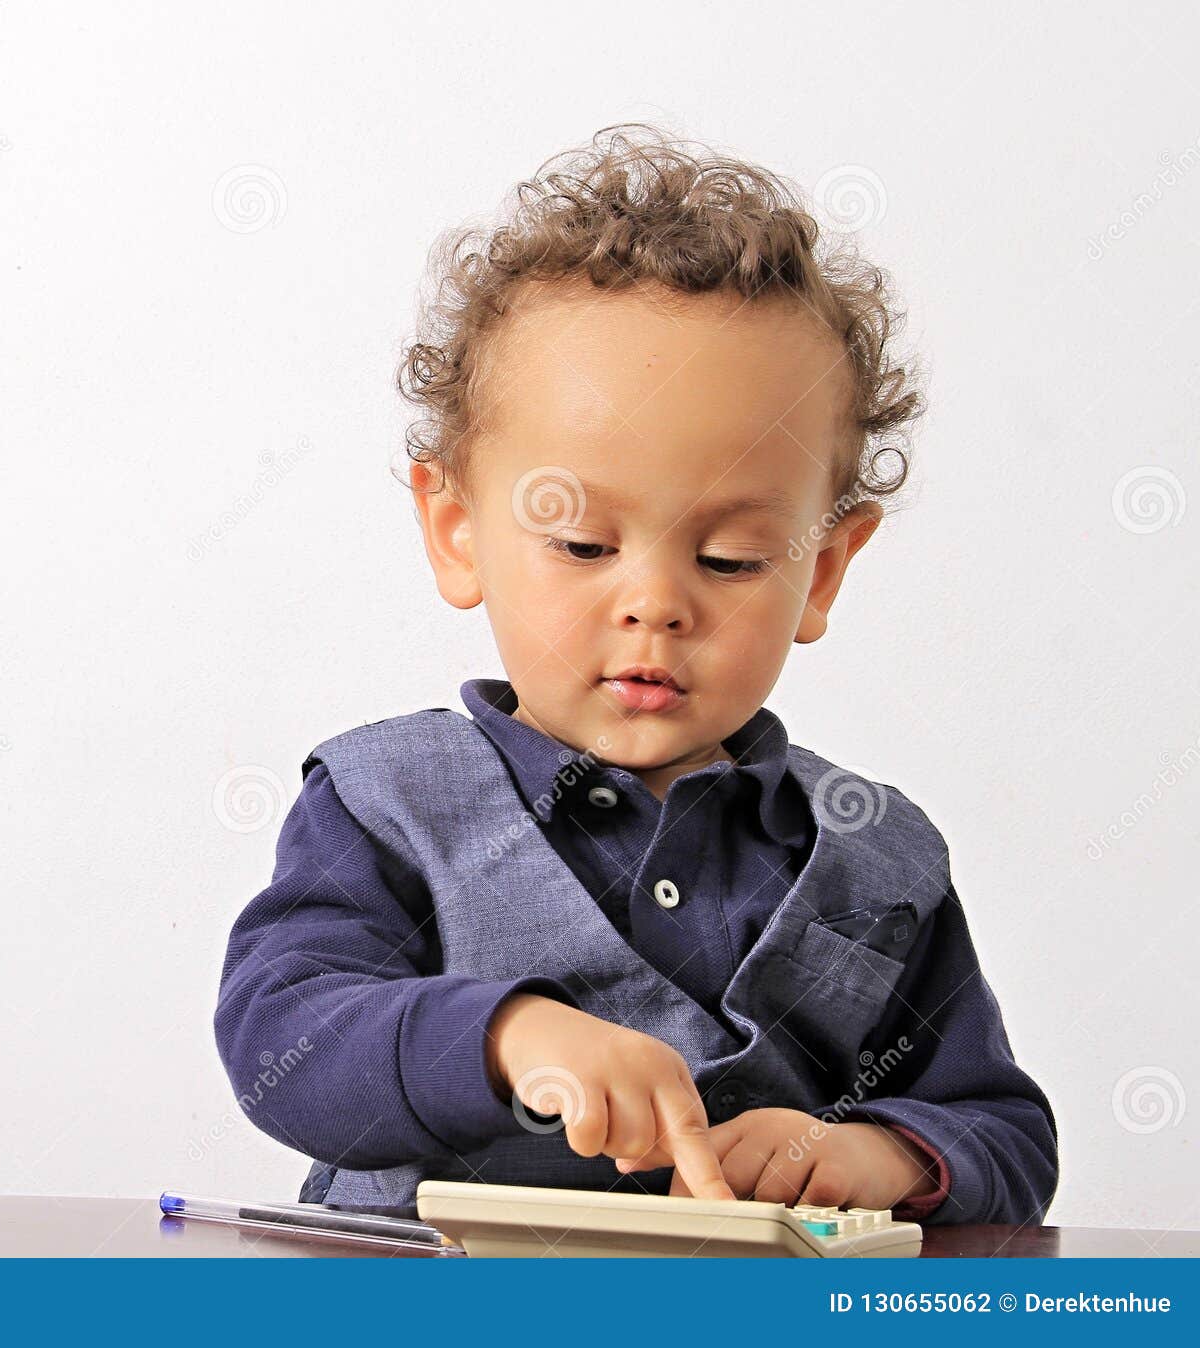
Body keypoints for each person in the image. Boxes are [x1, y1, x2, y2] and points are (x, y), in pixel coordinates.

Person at [213, 123, 1058, 1224]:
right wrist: (504, 1036)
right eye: (580, 543)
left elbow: (1002, 1131)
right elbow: (281, 1037)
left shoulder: (875, 856)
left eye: (731, 559)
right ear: (457, 532)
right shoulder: (389, 806)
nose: (655, 603)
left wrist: (878, 1154)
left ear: (821, 570)